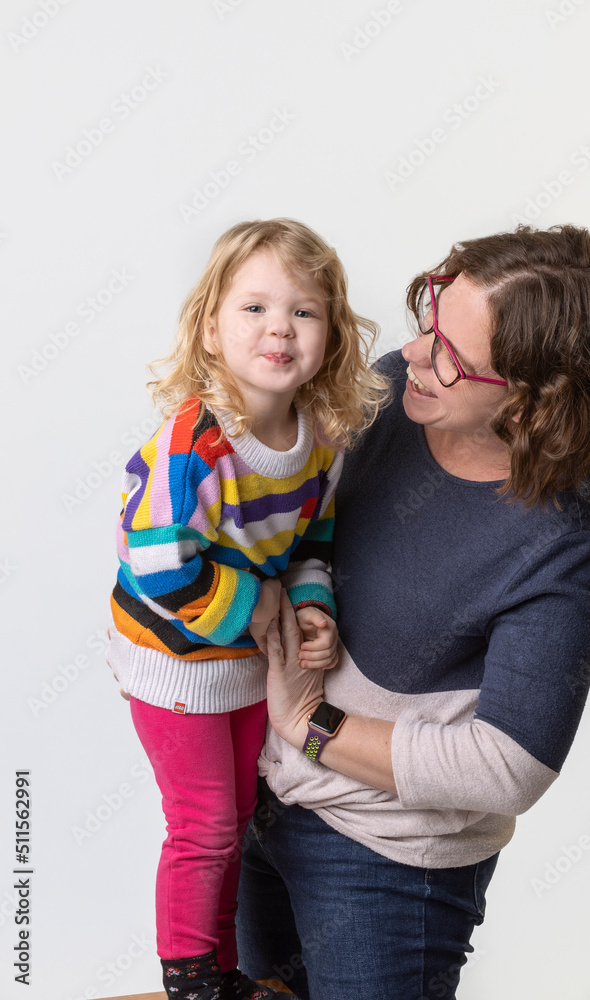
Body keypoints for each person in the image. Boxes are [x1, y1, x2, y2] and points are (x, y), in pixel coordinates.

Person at [235, 224, 590, 1000]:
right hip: (260, 797)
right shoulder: (401, 388)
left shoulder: (564, 533)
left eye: (454, 358)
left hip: (384, 861)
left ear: (536, 404)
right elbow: (300, 511)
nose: (417, 357)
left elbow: (509, 766)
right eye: (430, 320)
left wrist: (311, 725)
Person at [107, 218, 388, 1000]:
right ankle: (190, 977)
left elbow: (310, 544)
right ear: (210, 326)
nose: (278, 329)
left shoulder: (321, 444)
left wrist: (306, 604)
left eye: (303, 312)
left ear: (330, 336)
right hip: (170, 657)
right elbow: (160, 567)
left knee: (235, 822)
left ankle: (224, 972)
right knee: (202, 827)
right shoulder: (193, 444)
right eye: (254, 308)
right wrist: (257, 606)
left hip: (240, 659)